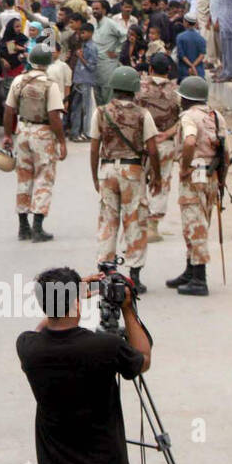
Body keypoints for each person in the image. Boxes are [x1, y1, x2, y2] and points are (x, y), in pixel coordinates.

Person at [16, 266, 151, 464]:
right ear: (77, 304)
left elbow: (40, 330)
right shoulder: (107, 346)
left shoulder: (27, 347)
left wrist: (66, 298)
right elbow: (144, 359)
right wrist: (127, 309)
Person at [90, 66, 161, 294]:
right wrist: (157, 176)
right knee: (135, 221)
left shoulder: (101, 112)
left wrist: (94, 175)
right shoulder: (142, 114)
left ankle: (106, 272)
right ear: (133, 89)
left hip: (107, 170)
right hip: (132, 171)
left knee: (108, 220)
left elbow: (94, 147)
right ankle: (134, 275)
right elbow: (152, 148)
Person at [167, 75, 228, 296]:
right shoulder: (216, 116)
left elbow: (190, 141)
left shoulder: (188, 117)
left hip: (194, 173)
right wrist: (222, 180)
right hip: (211, 174)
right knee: (199, 222)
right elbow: (226, 152)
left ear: (186, 99)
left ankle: (199, 279)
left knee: (195, 225)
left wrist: (184, 167)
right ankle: (190, 269)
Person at [4, 46, 67, 242]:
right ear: (48, 63)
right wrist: (62, 141)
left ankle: (23, 226)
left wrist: (7, 135)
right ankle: (38, 226)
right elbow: (54, 115)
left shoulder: (19, 80)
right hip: (43, 133)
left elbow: (8, 110)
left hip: (22, 130)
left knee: (24, 177)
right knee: (43, 178)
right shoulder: (50, 85)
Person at [139, 54, 182, 244]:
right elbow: (184, 119)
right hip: (164, 143)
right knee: (161, 181)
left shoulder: (139, 88)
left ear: (150, 69)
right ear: (169, 71)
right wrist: (168, 134)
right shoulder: (176, 93)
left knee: (138, 180)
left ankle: (139, 222)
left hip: (140, 143)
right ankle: (153, 227)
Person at [90, 0, 124, 104]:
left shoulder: (110, 23)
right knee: (97, 95)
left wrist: (117, 51)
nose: (94, 11)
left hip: (108, 64)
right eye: (93, 9)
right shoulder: (94, 25)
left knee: (107, 93)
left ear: (104, 10)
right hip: (96, 65)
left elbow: (125, 35)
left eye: (97, 9)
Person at [69, 23, 98, 142]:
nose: (81, 35)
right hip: (78, 80)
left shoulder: (92, 47)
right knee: (76, 107)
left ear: (90, 33)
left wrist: (80, 57)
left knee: (86, 108)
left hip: (86, 80)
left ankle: (86, 133)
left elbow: (92, 66)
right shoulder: (83, 45)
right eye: (80, 33)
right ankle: (75, 132)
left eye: (83, 33)